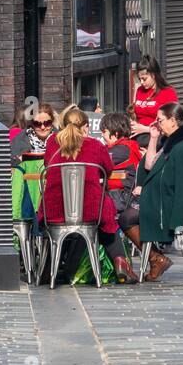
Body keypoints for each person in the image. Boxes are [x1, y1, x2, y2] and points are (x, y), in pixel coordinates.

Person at [40, 112, 137, 284]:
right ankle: (120, 261)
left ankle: (50, 269)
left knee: (58, 228)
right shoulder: (95, 146)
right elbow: (107, 170)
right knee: (105, 219)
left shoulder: (52, 144)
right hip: (91, 210)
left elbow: (48, 166)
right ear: (86, 127)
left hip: (54, 210)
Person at [120, 101, 183, 280]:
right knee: (125, 215)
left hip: (168, 208)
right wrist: (154, 137)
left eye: (160, 120)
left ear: (173, 121)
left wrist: (176, 223)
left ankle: (155, 258)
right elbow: (149, 165)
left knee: (126, 218)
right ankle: (156, 259)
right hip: (160, 201)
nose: (157, 124)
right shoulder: (170, 142)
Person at [101, 111, 141, 214]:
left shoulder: (122, 149)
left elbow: (98, 161)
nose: (102, 135)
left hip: (122, 198)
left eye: (104, 131)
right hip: (119, 196)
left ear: (115, 133)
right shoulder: (125, 146)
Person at [132, 55, 178, 129]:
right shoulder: (140, 90)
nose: (141, 82)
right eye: (139, 79)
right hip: (138, 132)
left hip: (157, 134)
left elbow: (172, 124)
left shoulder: (168, 92)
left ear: (153, 75)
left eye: (144, 79)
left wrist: (146, 129)